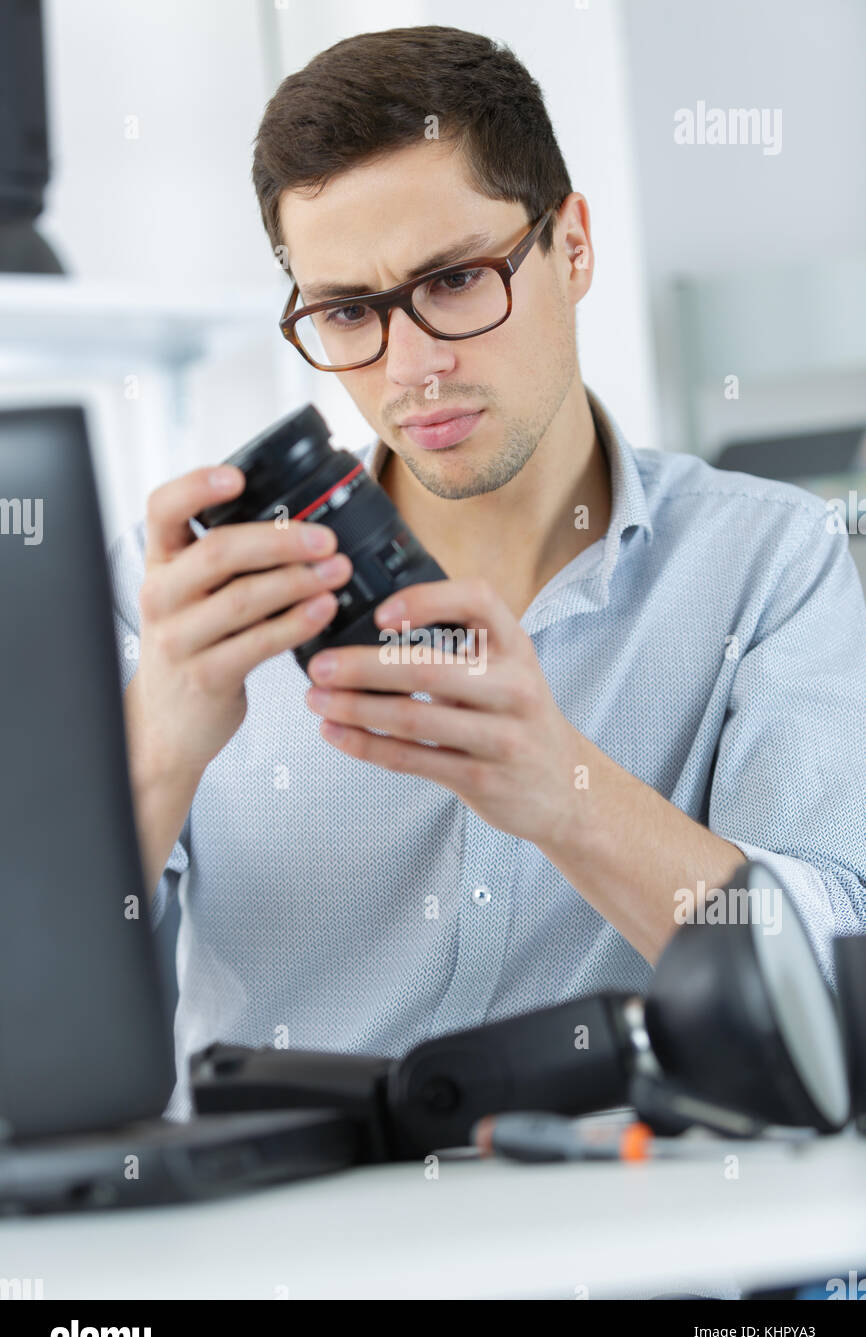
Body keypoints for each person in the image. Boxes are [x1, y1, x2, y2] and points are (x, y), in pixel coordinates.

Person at [109, 26, 866, 1126]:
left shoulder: (766, 563)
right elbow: (33, 1016)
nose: (412, 368)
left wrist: (560, 789)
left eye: (456, 279)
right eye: (348, 312)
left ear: (571, 247)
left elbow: (835, 978)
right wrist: (158, 748)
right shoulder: (188, 598)